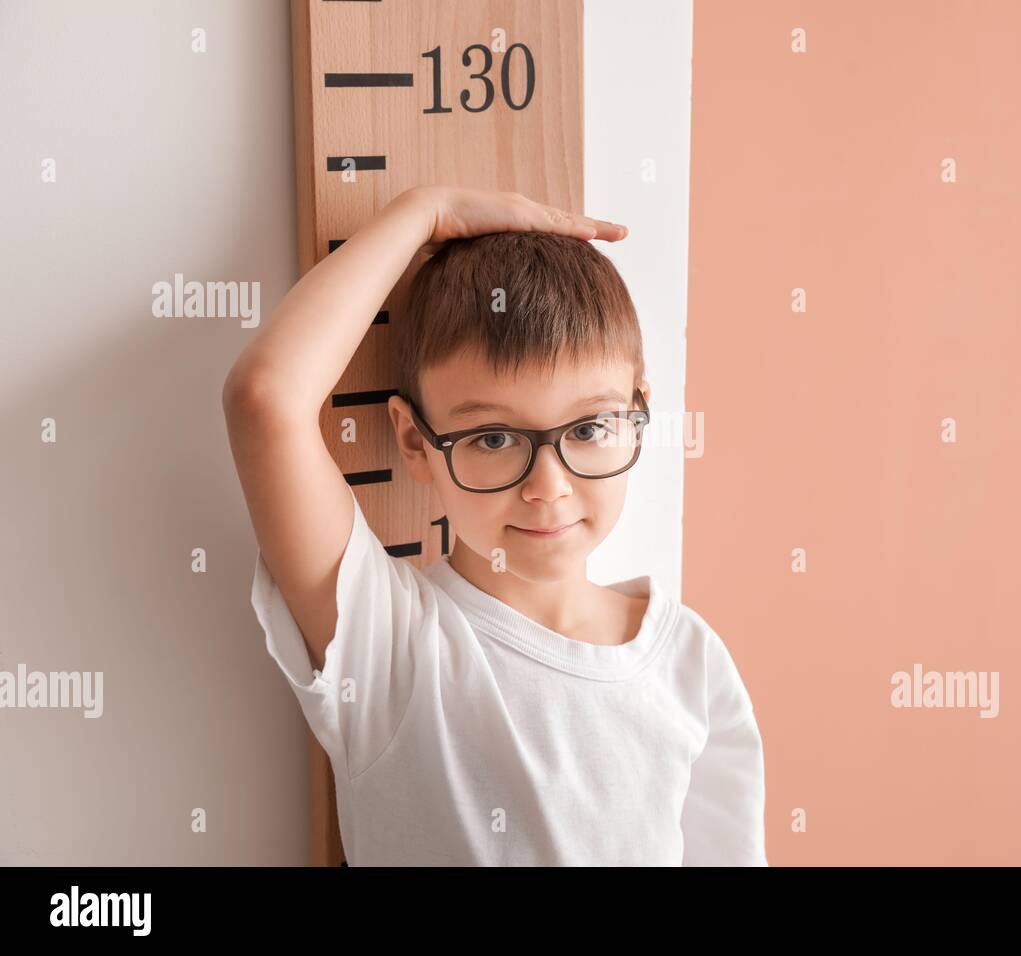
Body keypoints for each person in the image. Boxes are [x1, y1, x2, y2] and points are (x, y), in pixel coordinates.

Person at [222, 185, 766, 865]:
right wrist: (426, 211)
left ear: (637, 412)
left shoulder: (689, 660)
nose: (548, 487)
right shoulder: (391, 646)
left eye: (591, 427)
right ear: (416, 443)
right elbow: (265, 399)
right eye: (492, 439)